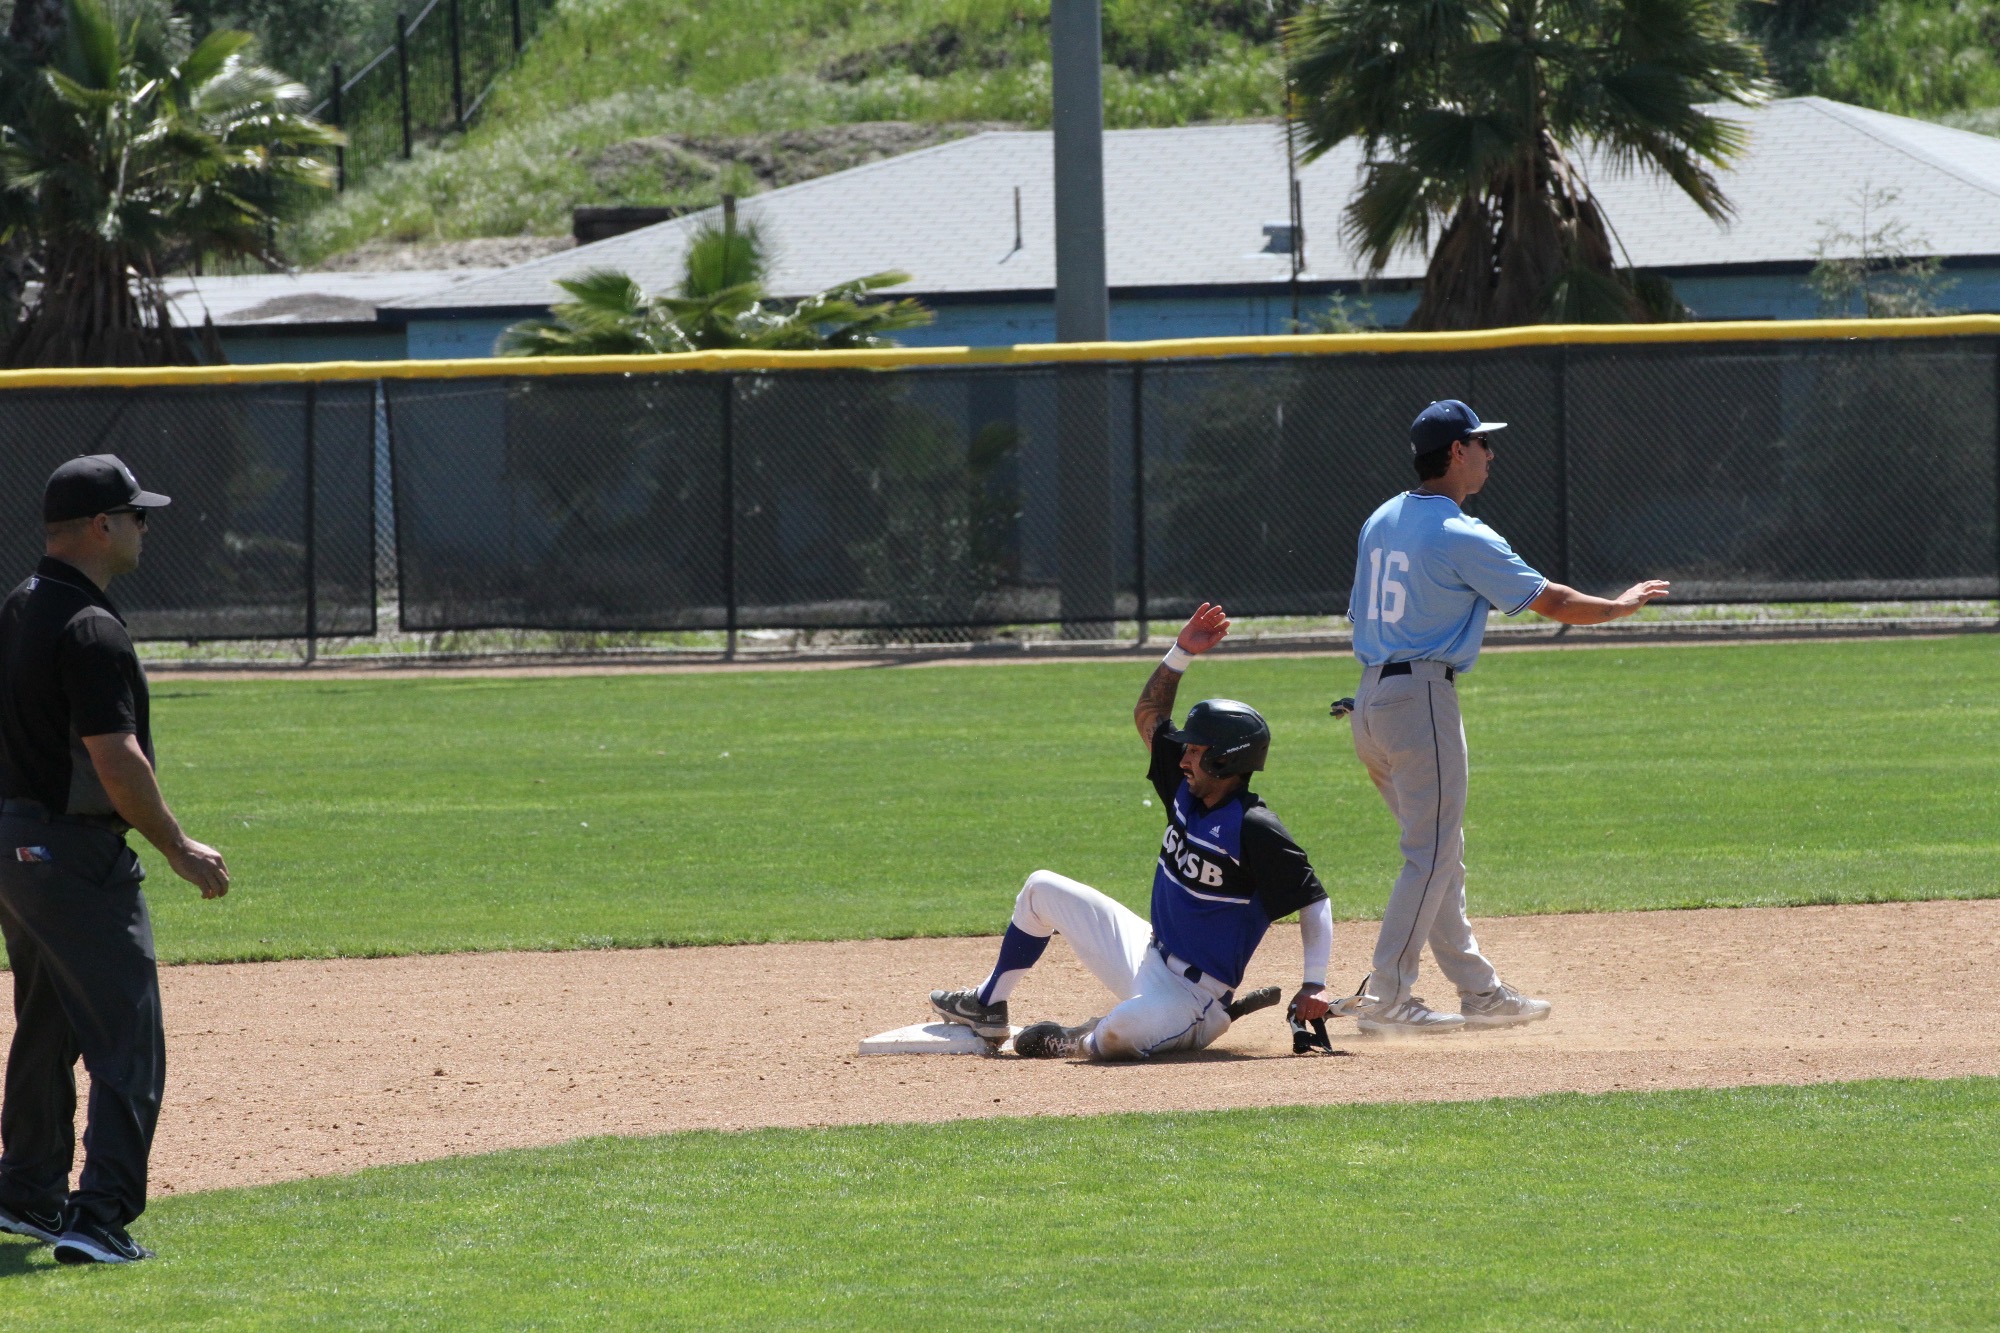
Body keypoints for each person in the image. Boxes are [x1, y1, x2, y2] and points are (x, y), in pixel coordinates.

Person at [1339, 400, 1668, 1034]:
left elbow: (1364, 618)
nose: (1492, 453)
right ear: (1457, 452)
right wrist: (1620, 607)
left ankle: (1479, 991)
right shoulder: (1460, 531)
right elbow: (1553, 602)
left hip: (1370, 702)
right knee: (1430, 856)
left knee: (1440, 854)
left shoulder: (1381, 519)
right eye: (1482, 443)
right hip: (1420, 703)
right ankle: (1388, 1000)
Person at [929, 602, 1359, 1059]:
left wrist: (1313, 982)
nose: (1182, 757)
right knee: (1041, 889)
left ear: (1225, 760)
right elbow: (1149, 714)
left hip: (1193, 996)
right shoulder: (1186, 788)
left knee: (1117, 1035)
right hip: (1147, 952)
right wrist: (1180, 653)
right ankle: (987, 1003)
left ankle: (1082, 1038)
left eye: (1195, 750)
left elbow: (1314, 900)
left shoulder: (1254, 828)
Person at [0, 455, 230, 1265]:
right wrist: (177, 844)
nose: (144, 526)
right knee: (127, 1035)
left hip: (14, 850)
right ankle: (98, 1216)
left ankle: (27, 1189)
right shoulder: (91, 626)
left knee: (47, 1020)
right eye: (137, 515)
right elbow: (116, 757)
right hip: (73, 853)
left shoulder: (20, 607)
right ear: (101, 526)